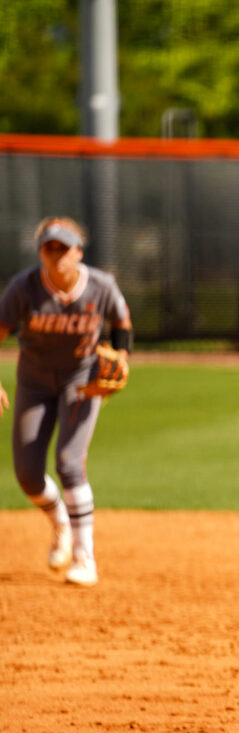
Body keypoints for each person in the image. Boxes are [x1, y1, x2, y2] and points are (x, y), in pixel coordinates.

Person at [0, 217, 133, 587]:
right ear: (41, 251)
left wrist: (122, 357)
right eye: (49, 247)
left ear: (79, 251)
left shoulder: (101, 286)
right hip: (35, 381)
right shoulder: (25, 287)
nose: (56, 254)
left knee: (69, 463)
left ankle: (84, 557)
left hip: (82, 382)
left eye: (64, 247)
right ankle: (59, 519)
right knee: (27, 475)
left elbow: (122, 321)